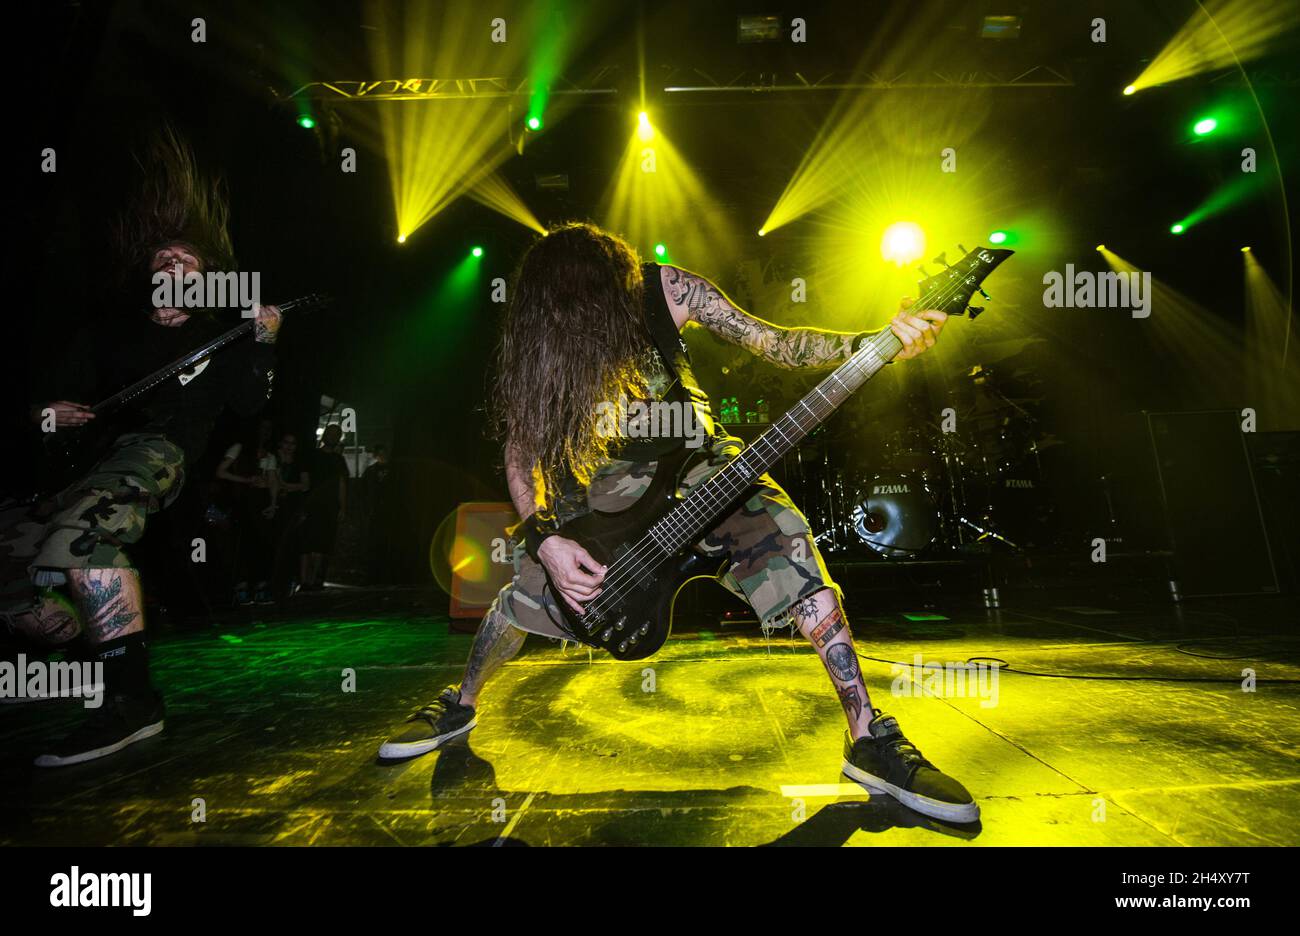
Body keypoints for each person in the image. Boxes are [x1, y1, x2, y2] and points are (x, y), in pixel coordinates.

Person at [376, 222, 978, 823]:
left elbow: (779, 343)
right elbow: (521, 455)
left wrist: (880, 340)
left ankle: (868, 738)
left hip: (702, 469)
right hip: (605, 494)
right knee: (522, 597)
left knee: (791, 549)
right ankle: (460, 701)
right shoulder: (542, 340)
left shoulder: (665, 289)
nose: (585, 326)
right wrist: (546, 537)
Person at [0, 126, 281, 766]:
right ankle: (74, 663)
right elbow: (47, 404)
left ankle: (131, 703)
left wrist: (265, 341)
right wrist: (44, 416)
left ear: (209, 277)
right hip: (82, 463)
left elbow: (251, 405)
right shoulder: (110, 334)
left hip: (158, 454)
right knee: (17, 554)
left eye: (186, 260)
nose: (172, 265)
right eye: (162, 259)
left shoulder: (224, 335)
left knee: (83, 538)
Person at [215, 418, 277, 605]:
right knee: (239, 544)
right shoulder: (239, 448)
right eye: (263, 428)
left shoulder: (270, 456)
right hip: (240, 502)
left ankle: (259, 587)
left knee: (261, 545)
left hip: (259, 503)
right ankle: (240, 588)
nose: (266, 432)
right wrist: (245, 480)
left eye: (269, 429)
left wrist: (273, 504)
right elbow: (220, 472)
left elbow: (272, 481)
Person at [299, 423, 346, 591]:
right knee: (306, 543)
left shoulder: (338, 459)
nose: (333, 437)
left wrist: (342, 506)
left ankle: (313, 580)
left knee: (321, 544)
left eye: (336, 434)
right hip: (311, 504)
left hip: (328, 506)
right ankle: (304, 581)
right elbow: (304, 478)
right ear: (325, 435)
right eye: (331, 433)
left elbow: (341, 483)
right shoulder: (312, 455)